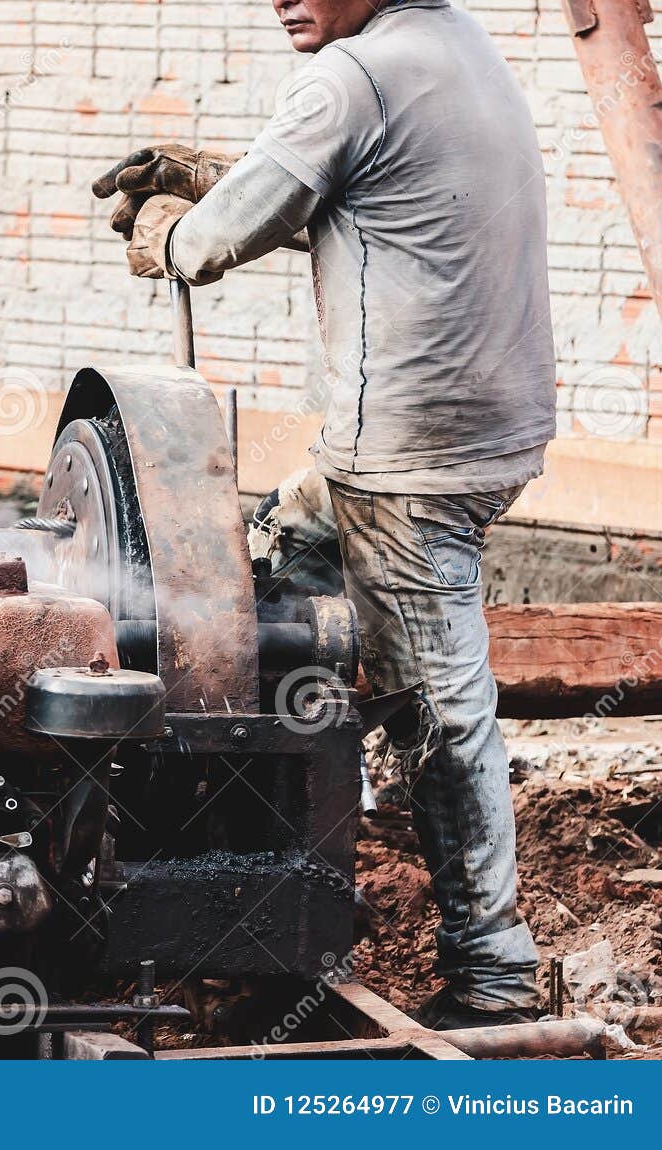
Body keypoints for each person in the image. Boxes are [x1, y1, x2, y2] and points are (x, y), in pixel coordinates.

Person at [94, 0, 556, 1028]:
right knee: (286, 556)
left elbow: (211, 245)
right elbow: (358, 188)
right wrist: (209, 169)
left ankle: (492, 968)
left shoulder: (345, 76)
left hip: (411, 452)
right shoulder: (453, 46)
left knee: (437, 699)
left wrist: (172, 229)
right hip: (485, 429)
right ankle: (289, 813)